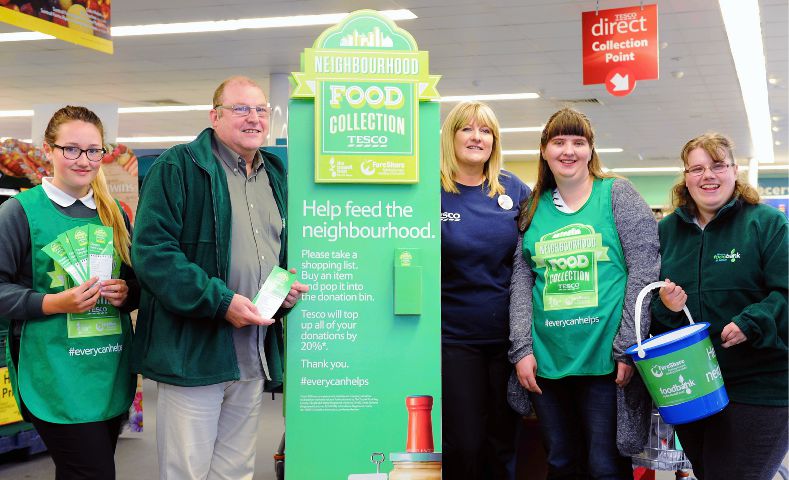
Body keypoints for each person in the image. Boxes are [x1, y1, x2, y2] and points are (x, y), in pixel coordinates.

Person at [131, 76, 308, 479]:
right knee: (186, 470)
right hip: (193, 353)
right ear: (215, 116)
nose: (254, 118)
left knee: (236, 470)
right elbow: (153, 252)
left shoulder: (274, 173)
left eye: (261, 109)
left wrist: (283, 292)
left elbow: (278, 251)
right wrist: (221, 302)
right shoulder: (177, 167)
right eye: (241, 109)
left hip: (251, 350)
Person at [508, 108, 656, 478]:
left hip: (605, 360)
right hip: (548, 361)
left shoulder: (616, 194)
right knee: (560, 462)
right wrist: (522, 349)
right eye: (559, 142)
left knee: (605, 466)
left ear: (591, 150)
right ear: (544, 150)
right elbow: (522, 282)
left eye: (579, 142)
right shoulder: (532, 208)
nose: (568, 150)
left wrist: (628, 347)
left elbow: (644, 272)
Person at [0, 105, 138, 479]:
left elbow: (137, 284)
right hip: (55, 373)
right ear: (49, 150)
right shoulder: (19, 212)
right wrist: (51, 302)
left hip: (108, 367)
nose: (84, 160)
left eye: (94, 150)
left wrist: (127, 292)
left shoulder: (115, 213)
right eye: (71, 149)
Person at [652, 132, 788, 480]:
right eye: (696, 168)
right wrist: (667, 306)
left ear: (734, 170)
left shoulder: (766, 224)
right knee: (709, 472)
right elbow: (649, 305)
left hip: (760, 382)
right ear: (685, 176)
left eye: (717, 166)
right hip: (693, 386)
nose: (707, 176)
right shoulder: (667, 232)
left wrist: (752, 322)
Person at [440, 101, 531, 480]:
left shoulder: (514, 189)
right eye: (467, 129)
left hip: (506, 339)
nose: (477, 137)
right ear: (451, 135)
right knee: (465, 443)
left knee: (502, 440)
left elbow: (533, 259)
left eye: (486, 131)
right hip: (452, 338)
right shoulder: (431, 191)